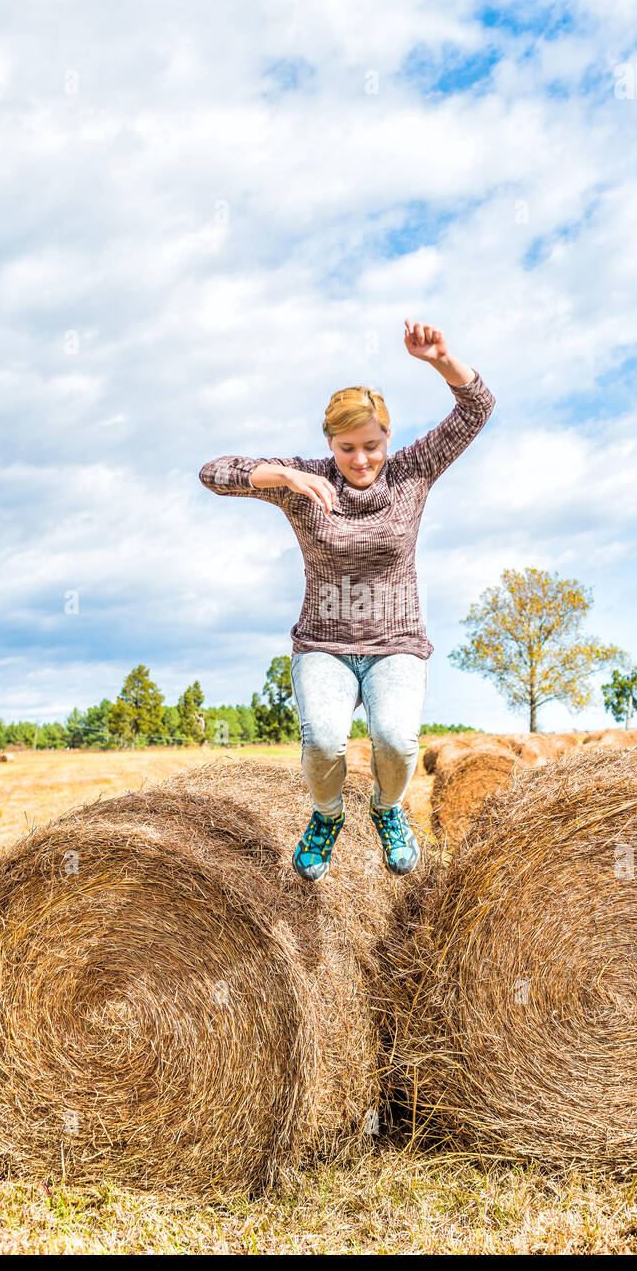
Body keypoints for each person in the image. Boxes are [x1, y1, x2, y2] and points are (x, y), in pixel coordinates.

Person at [199, 319, 496, 881]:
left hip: (396, 645)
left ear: (388, 438)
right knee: (324, 743)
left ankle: (388, 811)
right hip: (323, 644)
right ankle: (328, 816)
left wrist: (440, 358)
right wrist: (282, 476)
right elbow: (212, 473)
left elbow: (477, 408)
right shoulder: (306, 481)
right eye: (347, 448)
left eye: (371, 446)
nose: (360, 460)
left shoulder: (413, 471)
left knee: (395, 741)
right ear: (330, 445)